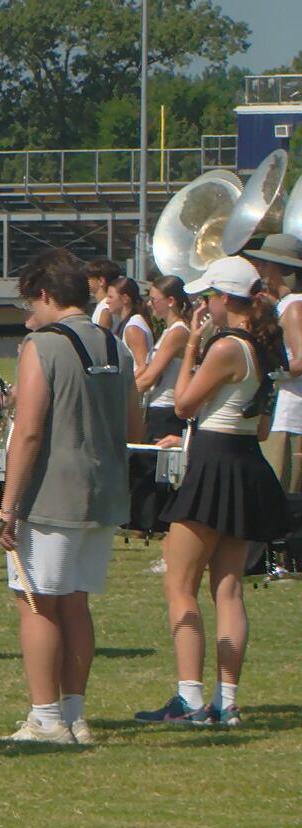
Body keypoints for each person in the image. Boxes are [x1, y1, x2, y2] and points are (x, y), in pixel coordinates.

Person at [134, 256, 292, 729]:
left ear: (226, 299)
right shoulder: (266, 347)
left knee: (179, 585)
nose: (203, 305)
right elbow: (262, 429)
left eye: (208, 297)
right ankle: (226, 702)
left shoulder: (227, 347)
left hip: (215, 462)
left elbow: (182, 404)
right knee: (227, 589)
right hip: (245, 461)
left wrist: (192, 348)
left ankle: (191, 699)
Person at [0, 249, 142, 746]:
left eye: (28, 302)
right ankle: (75, 715)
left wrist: (8, 505)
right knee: (76, 604)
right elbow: (134, 423)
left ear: (45, 294)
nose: (27, 315)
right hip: (103, 491)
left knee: (35, 602)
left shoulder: (42, 345)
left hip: (51, 493)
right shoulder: (115, 345)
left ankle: (46, 717)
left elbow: (29, 432)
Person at [240, 234, 302, 491]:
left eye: (264, 264)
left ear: (276, 268)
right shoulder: (286, 305)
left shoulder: (295, 307)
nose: (260, 269)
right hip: (281, 413)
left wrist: (270, 372)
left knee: (282, 490)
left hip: (290, 415)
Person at [138, 276, 194, 441]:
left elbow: (149, 378)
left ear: (170, 301)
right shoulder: (169, 331)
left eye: (154, 299)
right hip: (157, 408)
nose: (149, 304)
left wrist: (117, 393)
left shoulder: (179, 331)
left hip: (165, 411)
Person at [86, 258, 122, 330]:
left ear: (101, 281)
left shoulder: (105, 309)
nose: (86, 281)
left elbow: (103, 339)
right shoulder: (106, 305)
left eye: (89, 278)